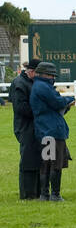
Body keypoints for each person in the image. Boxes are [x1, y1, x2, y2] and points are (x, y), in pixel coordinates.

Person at [29, 62, 74, 202]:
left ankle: (44, 194)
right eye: (51, 75)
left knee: (46, 163)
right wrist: (70, 100)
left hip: (43, 130)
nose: (52, 77)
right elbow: (57, 102)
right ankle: (55, 194)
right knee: (56, 163)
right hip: (53, 130)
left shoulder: (38, 86)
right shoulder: (43, 87)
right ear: (44, 74)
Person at [10, 59, 40, 200]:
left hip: (34, 125)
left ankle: (37, 191)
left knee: (38, 159)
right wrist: (40, 112)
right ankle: (28, 194)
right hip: (25, 126)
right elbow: (20, 107)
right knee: (28, 159)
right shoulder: (19, 84)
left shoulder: (31, 82)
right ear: (32, 71)